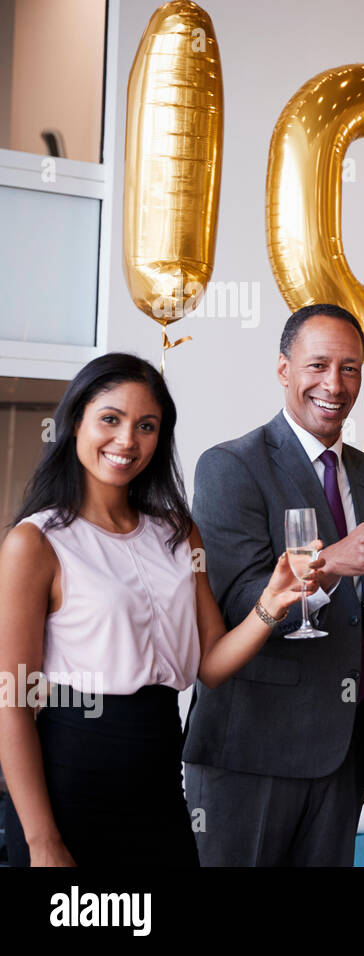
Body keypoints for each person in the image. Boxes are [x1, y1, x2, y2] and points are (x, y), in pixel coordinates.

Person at [0, 353, 318, 867]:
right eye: (110, 418)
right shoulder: (35, 543)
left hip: (159, 776)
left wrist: (271, 602)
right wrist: (42, 841)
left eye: (145, 426)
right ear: (75, 420)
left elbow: (210, 665)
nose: (127, 440)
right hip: (71, 775)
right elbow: (10, 699)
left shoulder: (178, 533)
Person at [182, 304, 364, 867]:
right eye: (319, 365)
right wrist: (331, 561)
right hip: (251, 749)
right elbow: (236, 609)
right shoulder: (230, 466)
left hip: (344, 754)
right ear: (284, 369)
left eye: (351, 368)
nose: (335, 384)